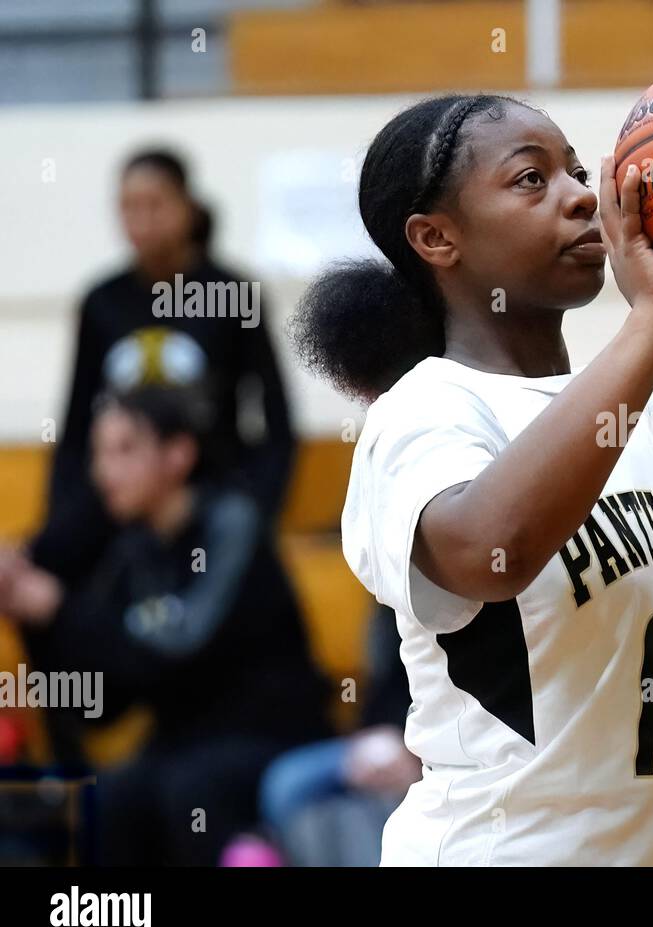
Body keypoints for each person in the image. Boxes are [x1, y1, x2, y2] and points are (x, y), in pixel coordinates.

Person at [290, 94, 653, 865]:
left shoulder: (643, 416)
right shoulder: (423, 411)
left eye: (576, 170)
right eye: (530, 180)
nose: (579, 194)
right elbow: (489, 551)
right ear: (437, 237)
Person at [0, 386, 330, 865]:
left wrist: (58, 610)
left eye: (124, 450)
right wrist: (32, 618)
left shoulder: (231, 524)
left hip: (271, 736)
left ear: (178, 454)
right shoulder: (135, 549)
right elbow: (104, 704)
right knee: (109, 798)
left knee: (190, 791)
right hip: (185, 744)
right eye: (99, 453)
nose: (102, 471)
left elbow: (178, 646)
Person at [30, 148, 296, 591]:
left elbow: (276, 416)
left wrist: (257, 505)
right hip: (123, 499)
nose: (142, 220)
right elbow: (77, 421)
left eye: (155, 204)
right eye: (129, 207)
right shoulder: (102, 301)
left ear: (188, 208)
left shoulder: (233, 293)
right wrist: (64, 511)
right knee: (41, 566)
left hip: (207, 498)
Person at [258, 604, 421, 867]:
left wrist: (414, 747)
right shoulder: (396, 596)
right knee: (287, 783)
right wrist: (374, 738)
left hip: (430, 740)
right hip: (385, 732)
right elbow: (385, 684)